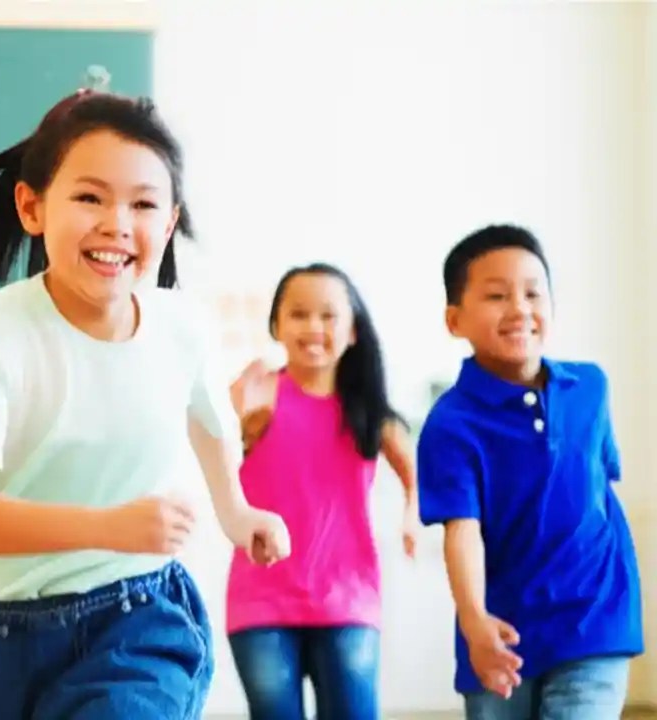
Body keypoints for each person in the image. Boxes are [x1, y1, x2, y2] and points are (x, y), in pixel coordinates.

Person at [0, 88, 291, 719]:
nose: (118, 222)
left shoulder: (181, 326)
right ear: (32, 207)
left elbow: (208, 420)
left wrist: (237, 511)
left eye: (144, 204)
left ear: (168, 225)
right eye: (90, 197)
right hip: (6, 639)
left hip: (138, 617)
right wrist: (106, 525)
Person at [416, 224, 642, 717]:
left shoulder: (590, 388)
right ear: (454, 319)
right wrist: (474, 620)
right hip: (501, 630)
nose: (519, 308)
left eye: (533, 293)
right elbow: (463, 531)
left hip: (595, 620)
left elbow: (600, 495)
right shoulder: (450, 422)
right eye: (496, 295)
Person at [225, 263, 419, 719]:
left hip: (348, 600)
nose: (313, 327)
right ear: (277, 325)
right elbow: (217, 465)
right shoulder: (258, 395)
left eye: (328, 316)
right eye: (299, 314)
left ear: (353, 331)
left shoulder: (370, 412)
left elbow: (415, 474)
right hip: (261, 600)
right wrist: (235, 420)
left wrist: (412, 516)